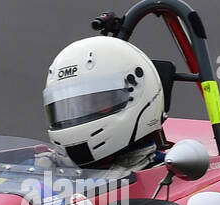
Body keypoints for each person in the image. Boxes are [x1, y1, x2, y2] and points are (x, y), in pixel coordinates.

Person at [41, 35, 166, 173]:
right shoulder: (44, 169)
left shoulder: (171, 178)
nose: (79, 113)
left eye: (96, 101)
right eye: (71, 106)